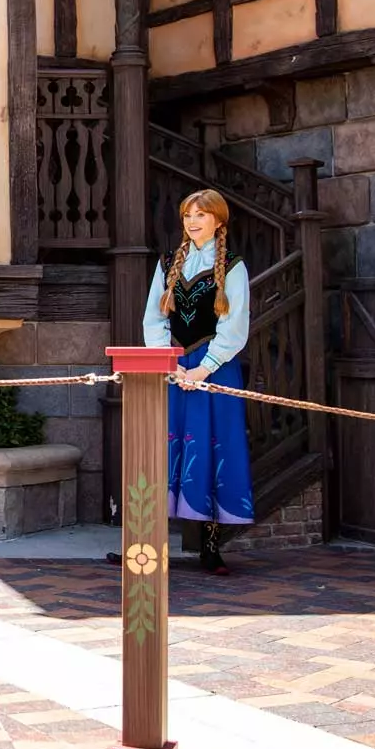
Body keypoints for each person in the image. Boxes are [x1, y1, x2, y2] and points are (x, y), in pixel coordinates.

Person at [143, 189, 254, 575]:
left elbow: (234, 327)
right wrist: (169, 364)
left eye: (201, 214)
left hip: (215, 370)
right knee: (164, 450)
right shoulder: (168, 262)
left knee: (213, 449)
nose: (192, 221)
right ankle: (147, 545)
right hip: (174, 370)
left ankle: (210, 547)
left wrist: (203, 369)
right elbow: (153, 321)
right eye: (188, 214)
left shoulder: (234, 267)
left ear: (218, 221)